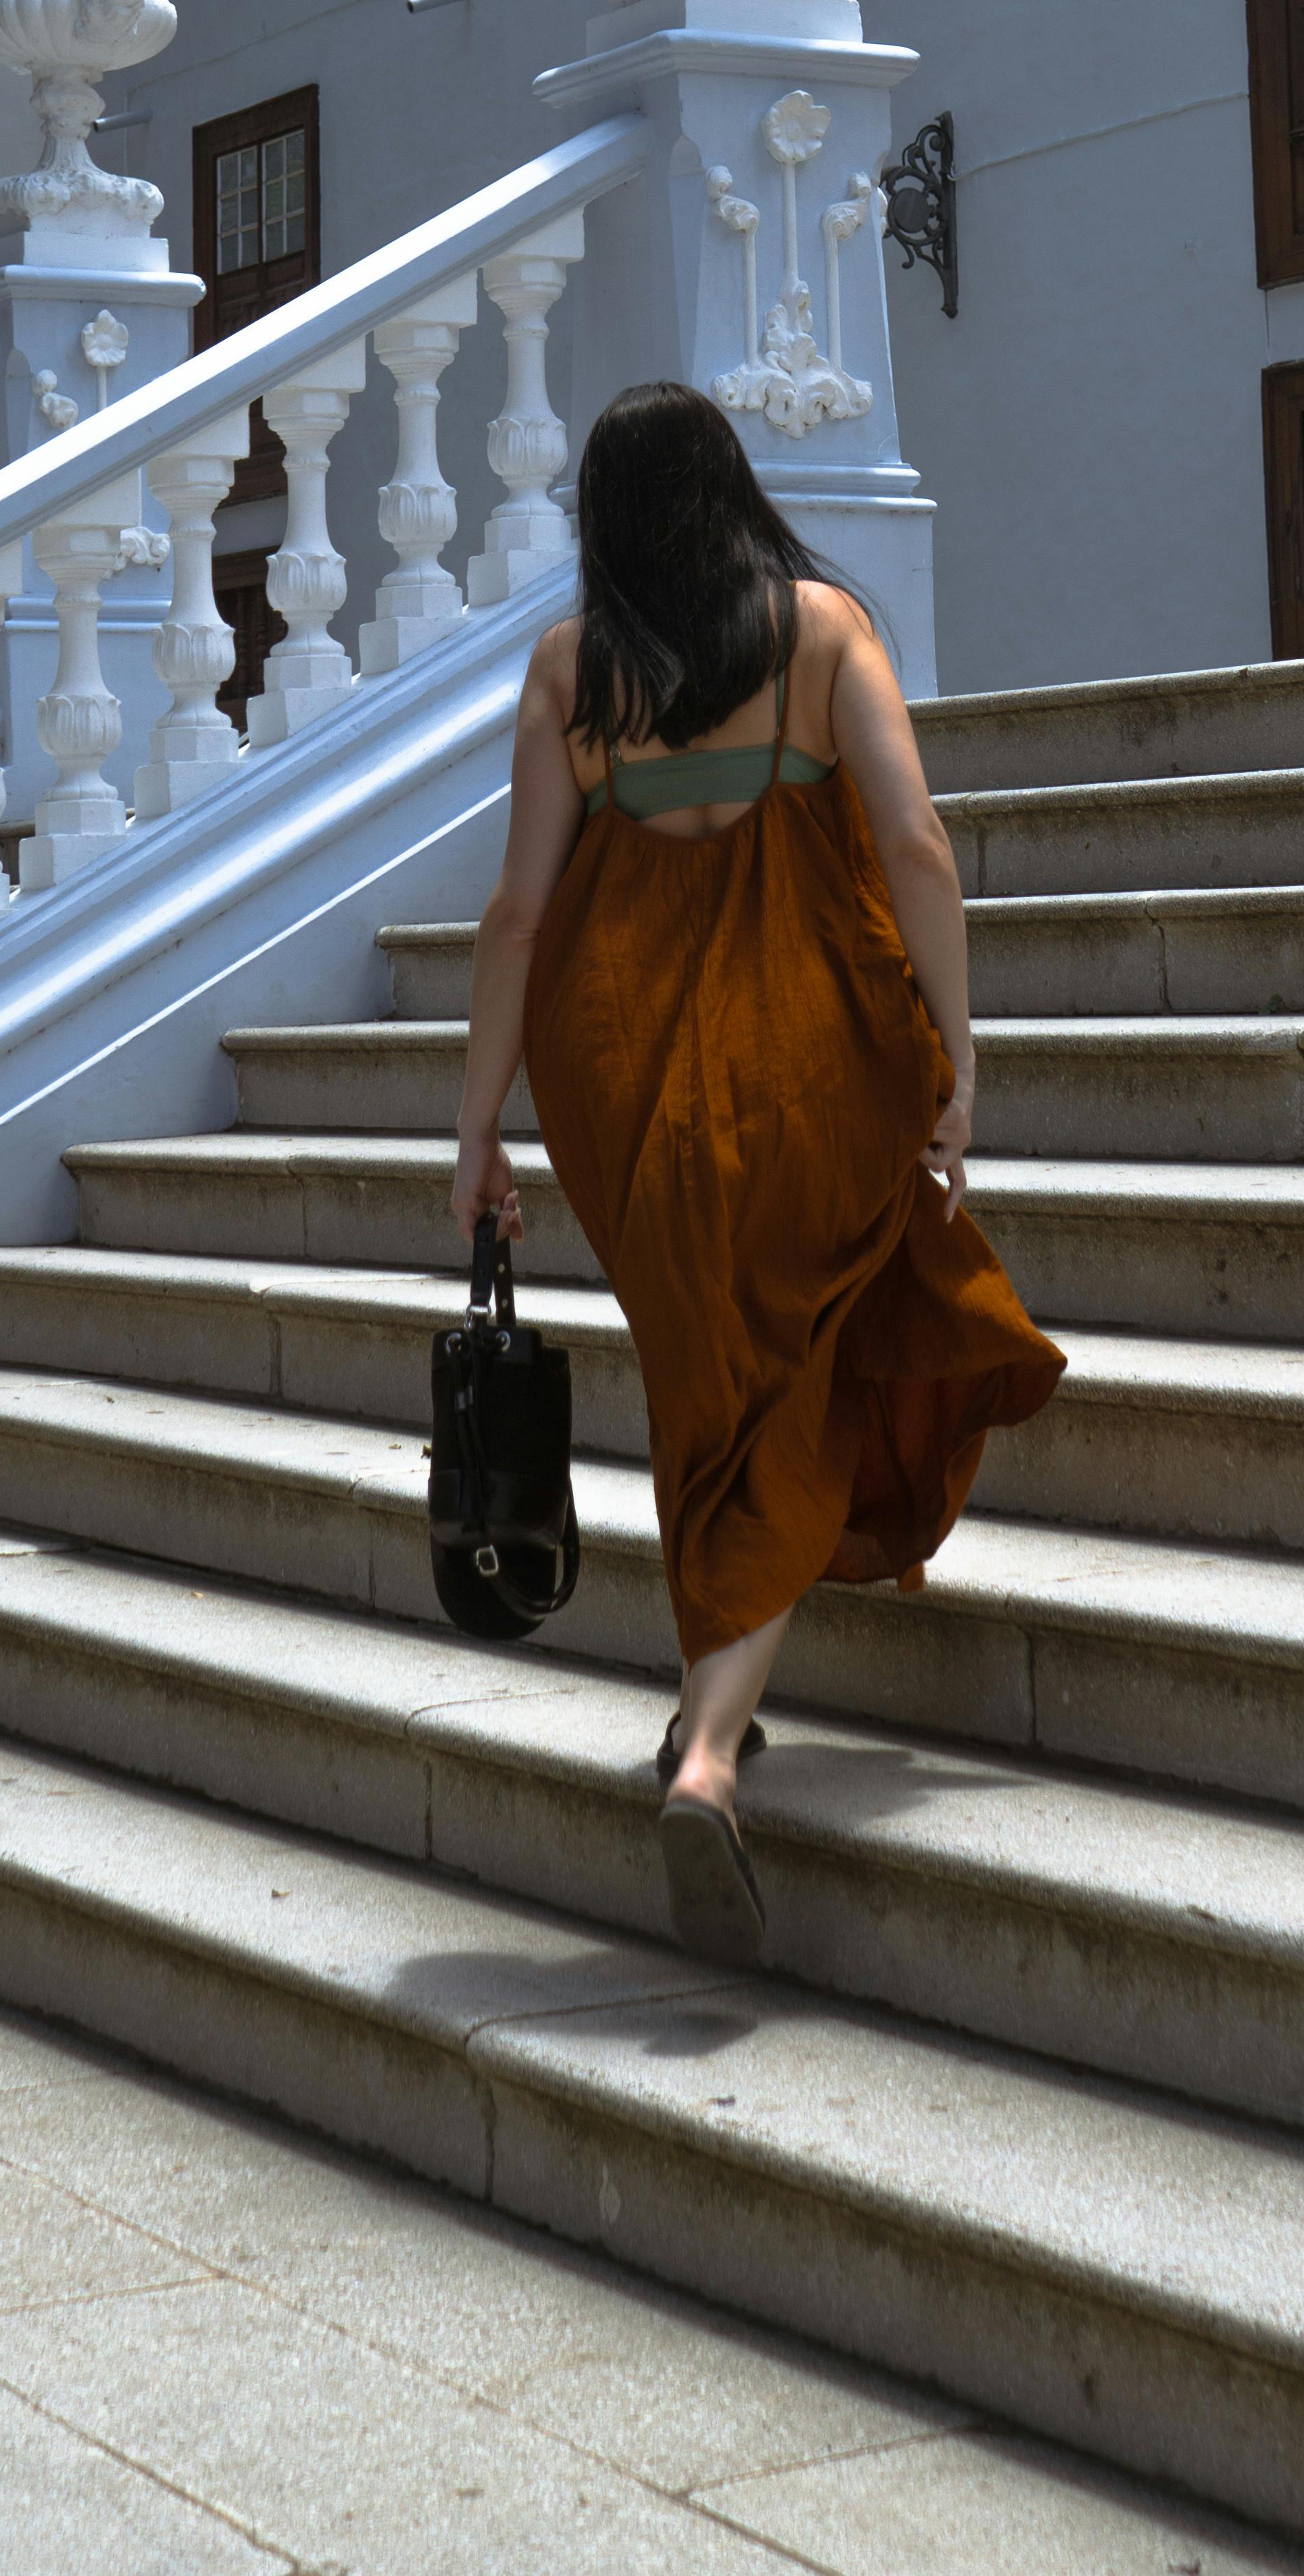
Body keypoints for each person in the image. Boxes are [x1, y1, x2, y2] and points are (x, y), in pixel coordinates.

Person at [444, 378, 1065, 1965]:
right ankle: (711, 1752)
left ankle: (710, 1729)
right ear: (732, 491)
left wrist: (478, 1128)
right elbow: (914, 846)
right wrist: (961, 1046)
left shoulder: (573, 672)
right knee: (782, 1380)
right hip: (812, 1061)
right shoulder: (822, 633)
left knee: (713, 1385)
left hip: (625, 1079)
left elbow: (517, 916)